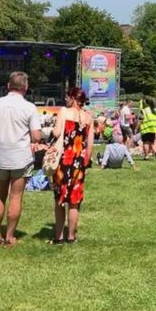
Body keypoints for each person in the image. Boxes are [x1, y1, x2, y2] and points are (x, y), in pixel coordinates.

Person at [0, 72, 41, 246]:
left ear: (8, 85)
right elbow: (36, 136)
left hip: (0, 156)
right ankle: (9, 236)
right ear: (26, 87)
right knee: (16, 197)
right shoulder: (29, 107)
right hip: (21, 158)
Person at [49, 88, 94, 245]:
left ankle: (58, 237)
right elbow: (90, 144)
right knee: (74, 201)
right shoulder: (89, 117)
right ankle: (71, 237)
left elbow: (56, 133)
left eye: (68, 97)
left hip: (63, 160)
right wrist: (85, 161)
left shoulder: (64, 111)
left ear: (74, 98)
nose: (66, 99)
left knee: (59, 199)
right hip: (79, 162)